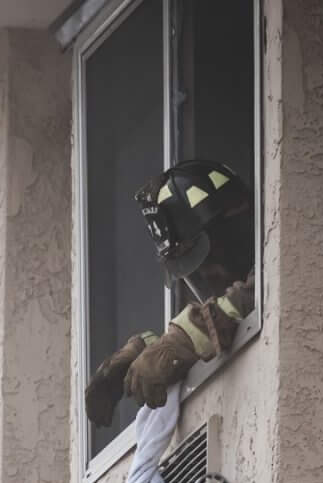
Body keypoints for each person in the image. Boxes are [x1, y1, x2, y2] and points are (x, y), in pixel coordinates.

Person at [84, 158, 257, 427]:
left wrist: (180, 342)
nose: (209, 276)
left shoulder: (277, 262)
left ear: (236, 227)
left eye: (208, 259)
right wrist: (144, 352)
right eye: (196, 273)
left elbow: (248, 298)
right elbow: (216, 322)